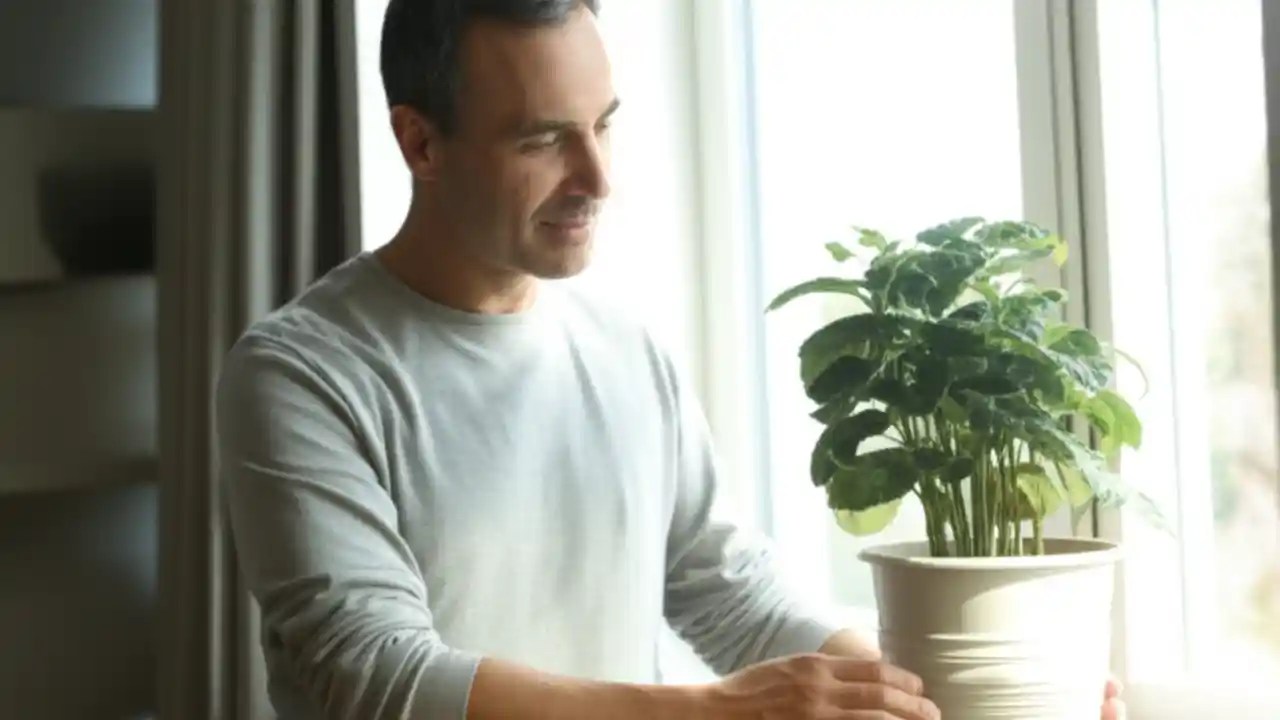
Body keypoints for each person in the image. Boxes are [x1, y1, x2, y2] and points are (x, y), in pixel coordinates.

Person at [215, 1, 1125, 718]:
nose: (598, 178)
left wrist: (972, 704)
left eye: (603, 125)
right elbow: (377, 680)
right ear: (420, 142)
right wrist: (719, 714)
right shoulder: (302, 374)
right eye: (542, 140)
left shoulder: (622, 349)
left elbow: (736, 600)